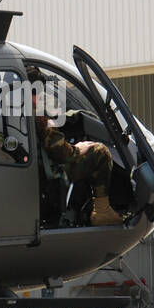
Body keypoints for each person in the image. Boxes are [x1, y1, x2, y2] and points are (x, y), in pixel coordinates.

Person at [27, 66, 122, 226]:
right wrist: (79, 149)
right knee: (100, 152)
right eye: (37, 92)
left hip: (34, 173)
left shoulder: (10, 109)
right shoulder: (36, 115)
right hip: (48, 176)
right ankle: (102, 212)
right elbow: (62, 154)